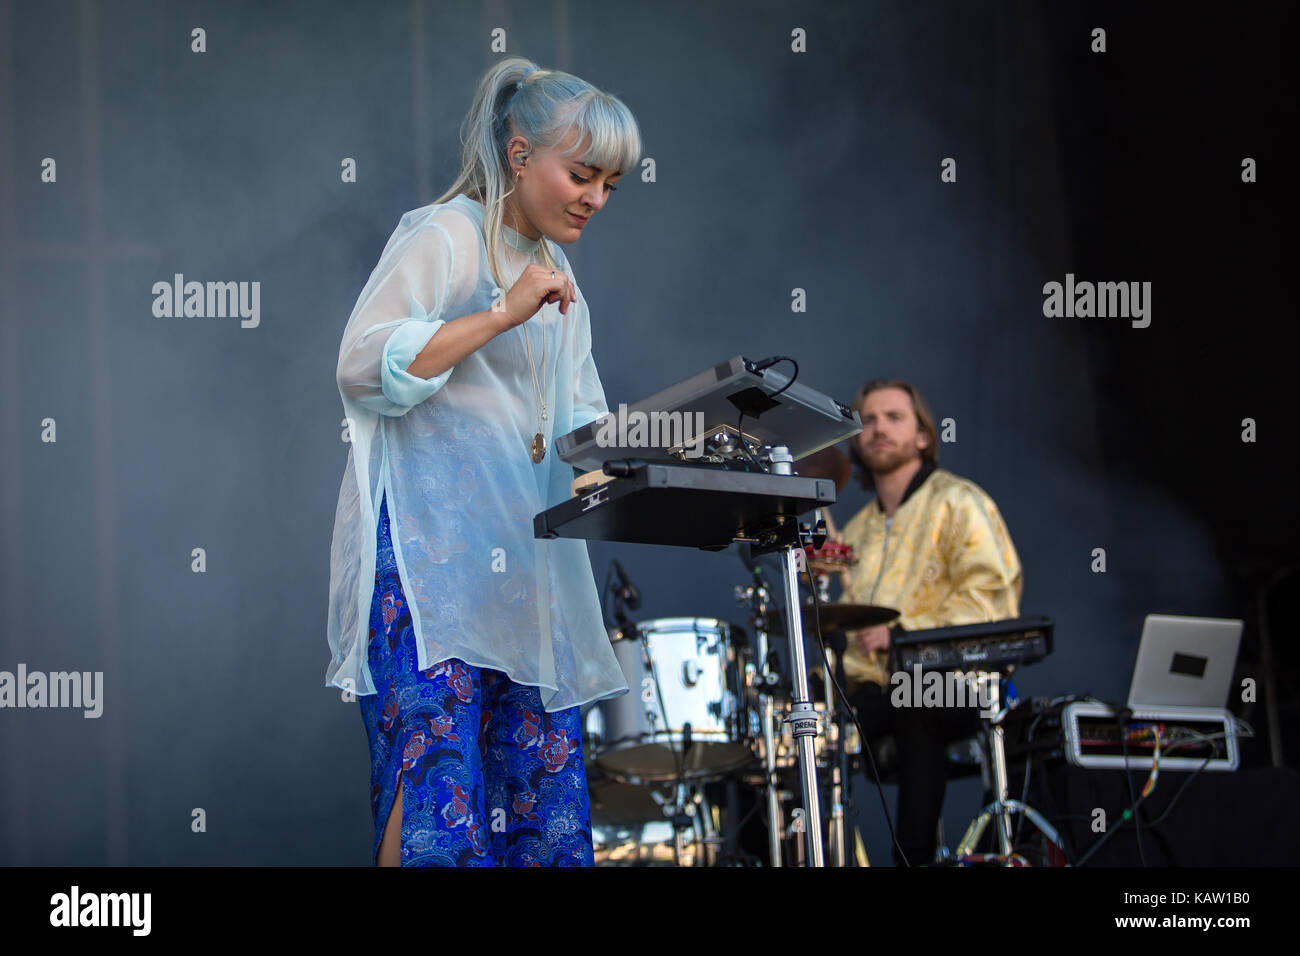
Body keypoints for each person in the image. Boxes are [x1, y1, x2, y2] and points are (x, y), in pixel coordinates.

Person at [325, 57, 641, 866]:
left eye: (609, 183)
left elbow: (580, 427)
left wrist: (656, 461)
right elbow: (360, 365)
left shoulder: (560, 277)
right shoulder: (446, 235)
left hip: (522, 582)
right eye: (582, 174)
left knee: (542, 809)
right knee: (435, 784)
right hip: (431, 574)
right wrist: (500, 313)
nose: (596, 199)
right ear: (520, 153)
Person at [837, 379, 1023, 865]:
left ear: (923, 435)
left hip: (961, 681)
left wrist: (903, 632)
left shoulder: (960, 502)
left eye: (894, 417)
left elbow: (993, 598)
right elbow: (853, 638)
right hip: (875, 690)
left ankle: (913, 860)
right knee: (799, 729)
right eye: (868, 420)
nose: (878, 428)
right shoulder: (856, 533)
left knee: (913, 697)